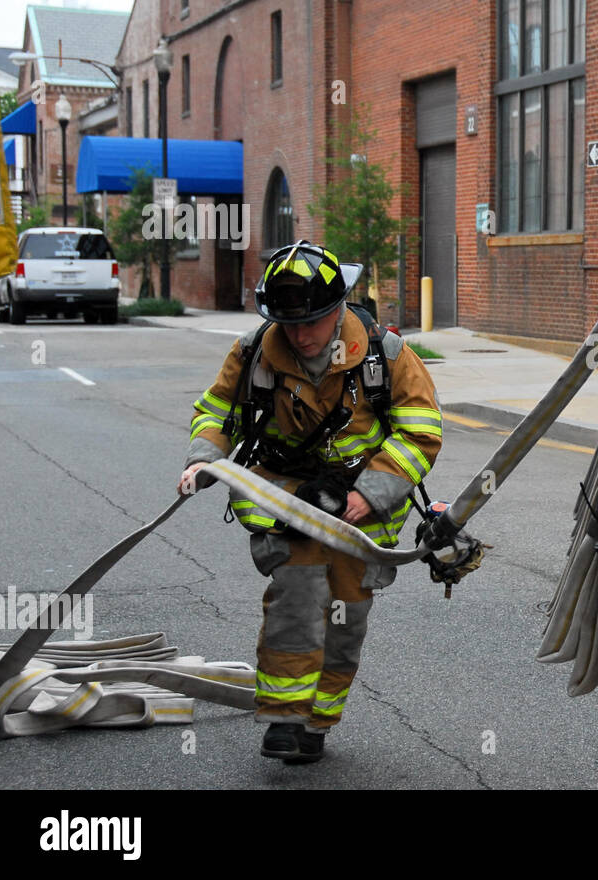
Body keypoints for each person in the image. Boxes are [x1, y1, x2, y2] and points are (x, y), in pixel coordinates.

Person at [177, 242, 442, 764]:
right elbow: (217, 410)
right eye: (289, 324)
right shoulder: (255, 350)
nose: (300, 335)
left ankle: (318, 724)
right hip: (287, 499)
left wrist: (371, 493)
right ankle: (284, 718)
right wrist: (201, 459)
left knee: (345, 621)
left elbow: (421, 431)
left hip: (357, 513)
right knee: (296, 600)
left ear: (338, 306)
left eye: (313, 322)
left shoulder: (384, 353)